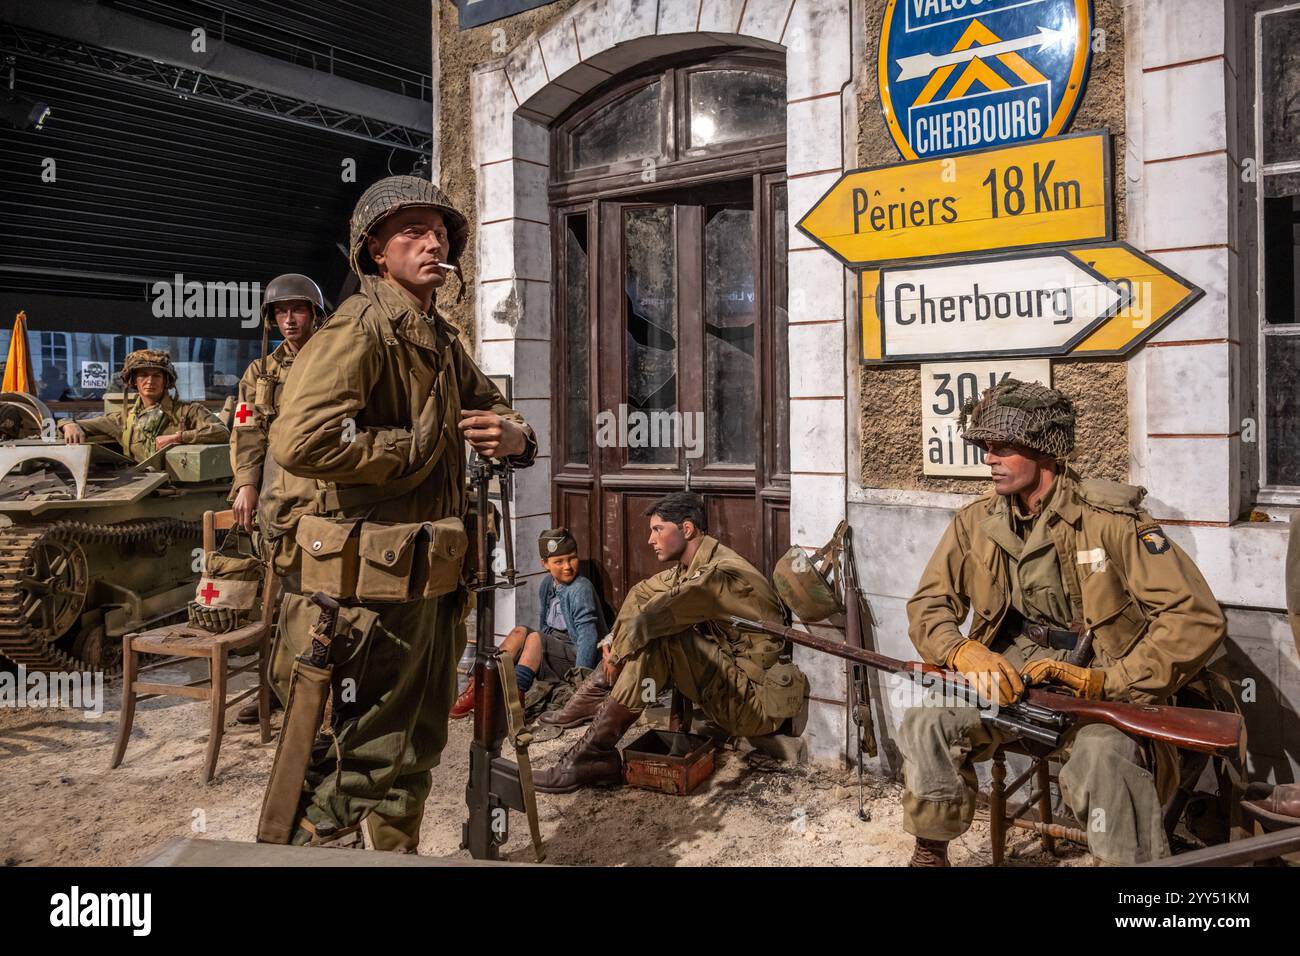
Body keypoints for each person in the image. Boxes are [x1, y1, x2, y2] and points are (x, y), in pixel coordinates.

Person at [264, 175, 536, 852]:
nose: (433, 240)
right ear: (375, 254)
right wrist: (415, 445)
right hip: (366, 594)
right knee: (364, 755)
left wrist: (515, 438)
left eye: (440, 231)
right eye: (411, 231)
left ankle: (395, 856)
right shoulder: (359, 328)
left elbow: (492, 407)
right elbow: (299, 440)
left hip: (427, 581)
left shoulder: (434, 335)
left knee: (415, 746)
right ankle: (308, 848)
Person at [898, 379, 1226, 866]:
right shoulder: (976, 522)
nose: (989, 458)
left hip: (1104, 678)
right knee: (927, 718)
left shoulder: (1109, 520)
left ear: (1044, 451)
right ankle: (931, 851)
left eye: (1003, 447)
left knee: (1102, 758)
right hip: (1014, 673)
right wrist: (960, 650)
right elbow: (928, 604)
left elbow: (1194, 619)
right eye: (986, 447)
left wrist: (1108, 680)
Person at [532, 492, 809, 793]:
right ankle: (592, 730)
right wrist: (612, 639)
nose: (651, 540)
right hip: (733, 686)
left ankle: (593, 742)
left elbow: (655, 618)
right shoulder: (694, 567)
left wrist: (616, 657)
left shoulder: (719, 575)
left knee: (664, 637)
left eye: (658, 529)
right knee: (650, 620)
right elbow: (641, 593)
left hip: (755, 706)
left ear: (686, 529)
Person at [230, 273, 325, 726]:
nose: (290, 319)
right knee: (278, 596)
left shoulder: (335, 362)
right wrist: (246, 482)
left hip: (327, 496)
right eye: (281, 311)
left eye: (299, 309)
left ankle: (321, 694)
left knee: (327, 598)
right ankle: (276, 687)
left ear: (314, 314)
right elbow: (246, 429)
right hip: (277, 498)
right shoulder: (259, 374)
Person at [448, 527, 605, 719]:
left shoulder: (580, 588)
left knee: (535, 639)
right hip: (556, 649)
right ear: (545, 564)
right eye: (558, 561)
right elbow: (544, 626)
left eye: (572, 558)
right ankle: (480, 689)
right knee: (519, 632)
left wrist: (582, 682)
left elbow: (588, 637)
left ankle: (514, 702)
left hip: (577, 655)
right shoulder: (547, 584)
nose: (567, 566)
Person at [59, 349, 228, 462]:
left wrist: (179, 437)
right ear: (134, 381)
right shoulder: (124, 419)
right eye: (143, 375)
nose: (150, 381)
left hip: (178, 489)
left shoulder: (188, 411)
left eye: (156, 376)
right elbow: (78, 425)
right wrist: (68, 424)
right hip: (140, 486)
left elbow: (222, 432)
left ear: (166, 380)